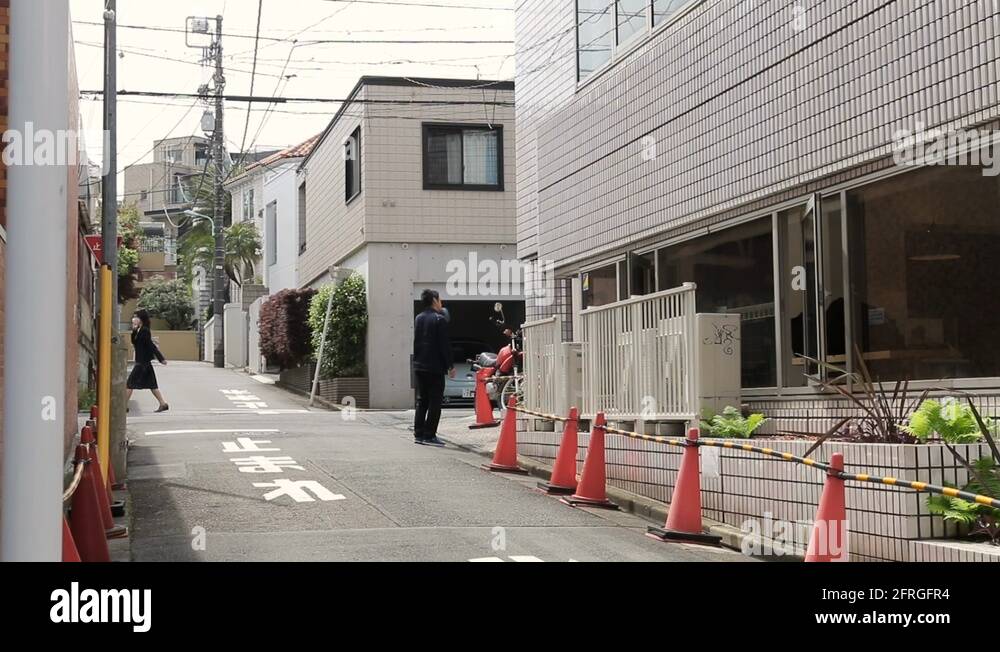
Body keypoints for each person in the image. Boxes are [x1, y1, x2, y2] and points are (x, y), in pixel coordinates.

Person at [412, 289, 455, 446]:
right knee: (435, 401)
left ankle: (419, 433)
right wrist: (450, 365)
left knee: (422, 400)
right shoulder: (439, 319)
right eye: (440, 300)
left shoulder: (419, 318)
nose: (441, 303)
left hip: (419, 366)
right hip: (434, 367)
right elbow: (444, 346)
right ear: (435, 301)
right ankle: (430, 434)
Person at [127, 310, 170, 413]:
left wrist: (161, 358)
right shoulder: (139, 330)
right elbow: (134, 342)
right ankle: (163, 404)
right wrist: (133, 331)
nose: (134, 319)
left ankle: (123, 406)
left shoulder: (145, 331)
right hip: (144, 363)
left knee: (129, 384)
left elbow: (151, 346)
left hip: (142, 363)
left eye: (136, 317)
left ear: (141, 319)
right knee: (152, 385)